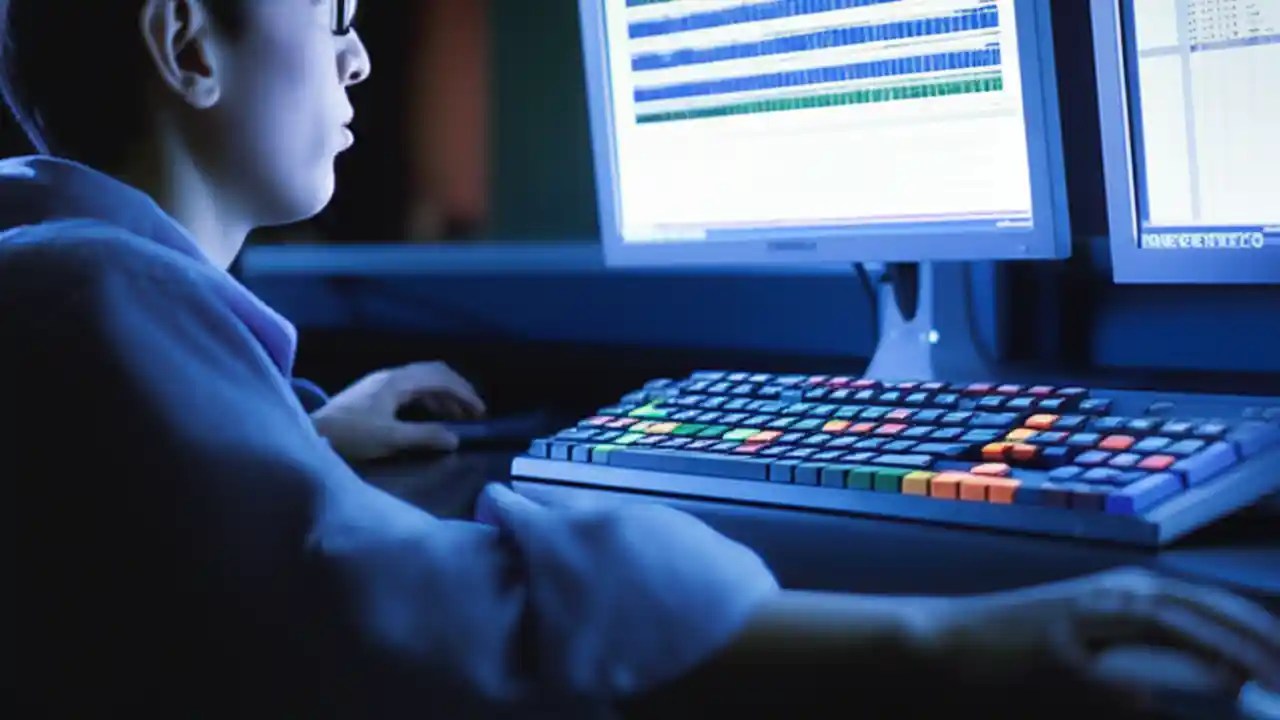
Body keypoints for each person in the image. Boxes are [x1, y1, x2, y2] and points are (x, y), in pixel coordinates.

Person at [1, 1, 1276, 718]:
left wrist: (299, 434)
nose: (360, 55)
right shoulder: (88, 294)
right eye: (330, 13)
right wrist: (948, 644)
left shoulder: (62, 277)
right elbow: (427, 615)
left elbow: (137, 490)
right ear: (182, 45)